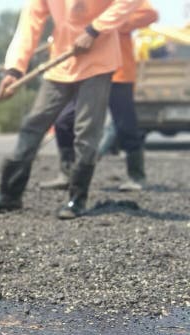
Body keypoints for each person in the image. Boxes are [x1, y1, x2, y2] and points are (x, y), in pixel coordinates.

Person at [0, 0, 142, 220]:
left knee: (86, 130)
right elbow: (30, 22)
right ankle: (9, 194)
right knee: (33, 123)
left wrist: (95, 30)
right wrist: (15, 69)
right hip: (61, 61)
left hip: (98, 60)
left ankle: (77, 199)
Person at [41, 1, 158, 192]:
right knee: (63, 121)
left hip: (119, 72)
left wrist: (113, 24)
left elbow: (150, 14)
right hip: (87, 71)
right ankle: (66, 173)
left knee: (125, 125)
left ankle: (137, 176)